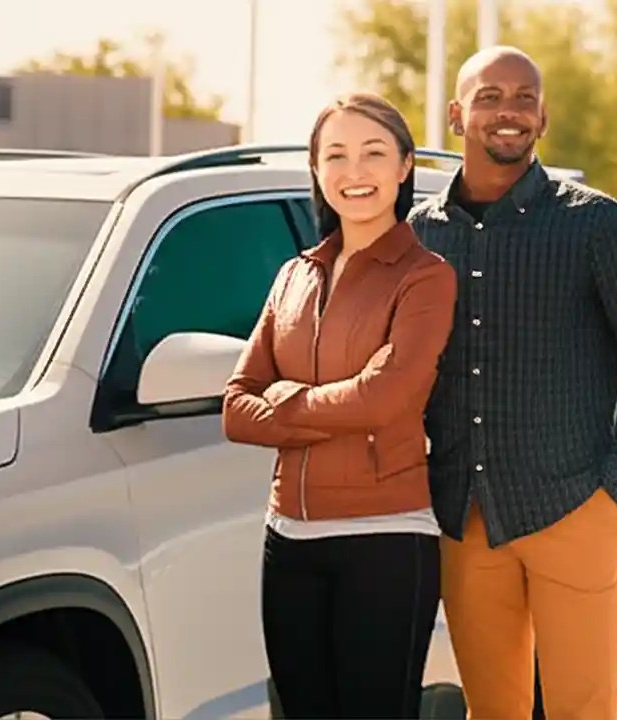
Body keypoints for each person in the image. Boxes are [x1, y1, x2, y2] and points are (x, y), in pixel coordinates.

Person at [407, 46, 617, 719]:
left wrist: (616, 487)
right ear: (456, 114)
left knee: (583, 711)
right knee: (491, 712)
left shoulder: (593, 223)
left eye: (524, 98)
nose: (508, 111)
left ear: (543, 117)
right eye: (489, 96)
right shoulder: (421, 234)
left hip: (574, 510)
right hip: (465, 518)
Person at [222, 92, 458, 719]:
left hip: (385, 539)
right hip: (289, 539)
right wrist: (327, 407)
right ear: (317, 169)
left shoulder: (425, 276)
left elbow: (386, 398)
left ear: (404, 166)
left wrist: (286, 403)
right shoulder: (294, 276)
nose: (355, 172)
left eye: (374, 153)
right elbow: (234, 408)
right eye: (337, 155)